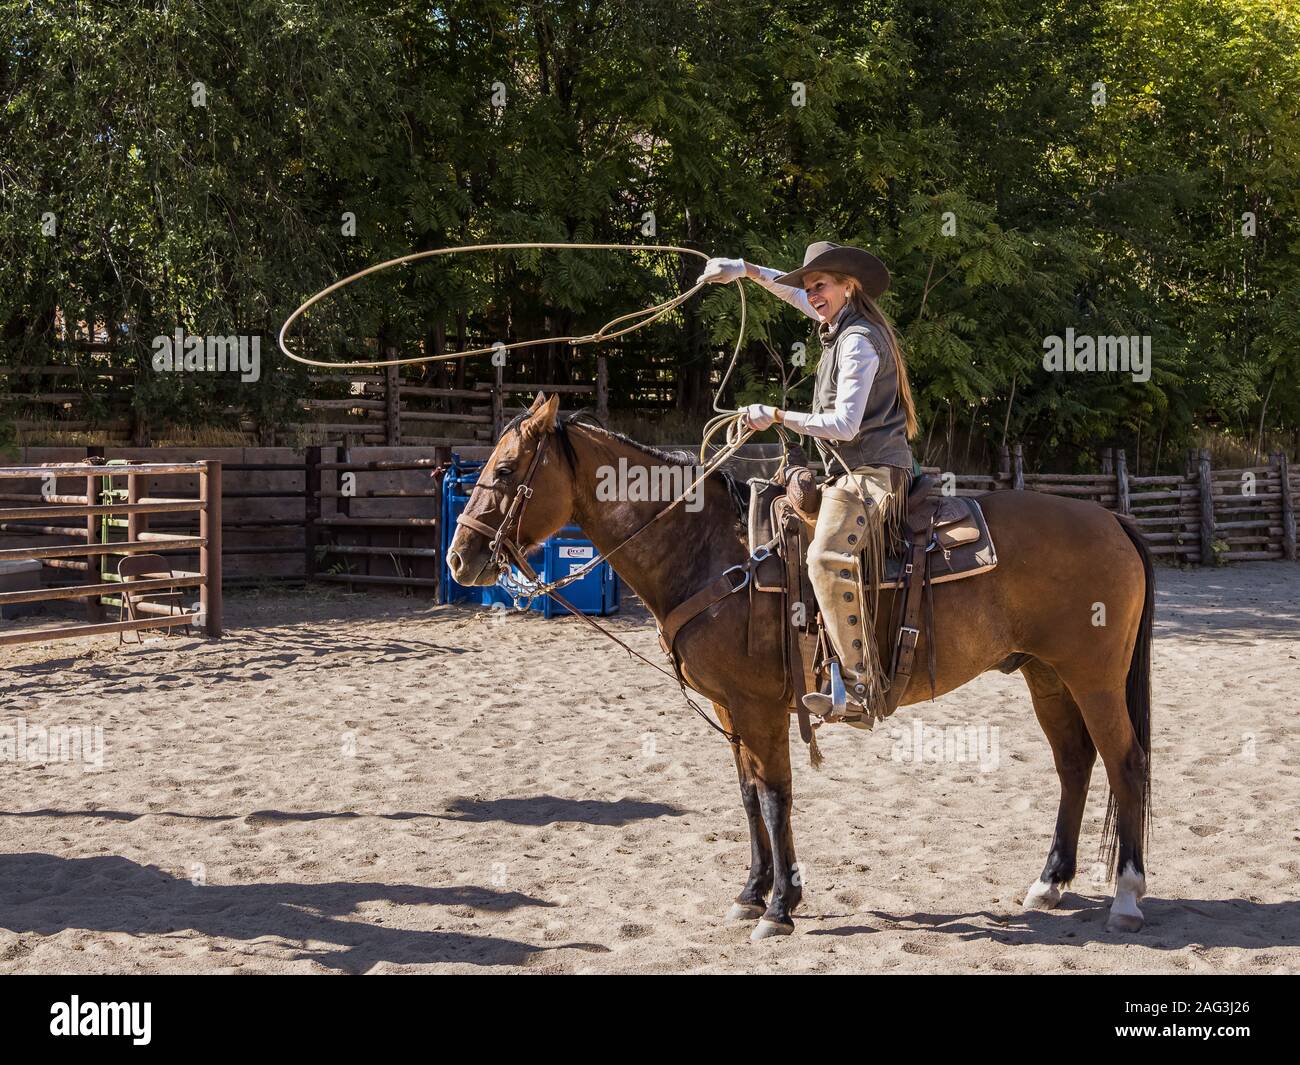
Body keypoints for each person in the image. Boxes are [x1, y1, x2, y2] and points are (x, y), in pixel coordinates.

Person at [697, 242, 918, 728]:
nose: (812, 294)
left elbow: (843, 425)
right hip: (852, 470)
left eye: (821, 285)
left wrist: (774, 414)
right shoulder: (840, 325)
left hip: (873, 472)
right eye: (810, 287)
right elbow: (792, 293)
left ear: (848, 286)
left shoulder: (858, 341)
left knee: (825, 558)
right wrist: (744, 271)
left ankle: (860, 689)